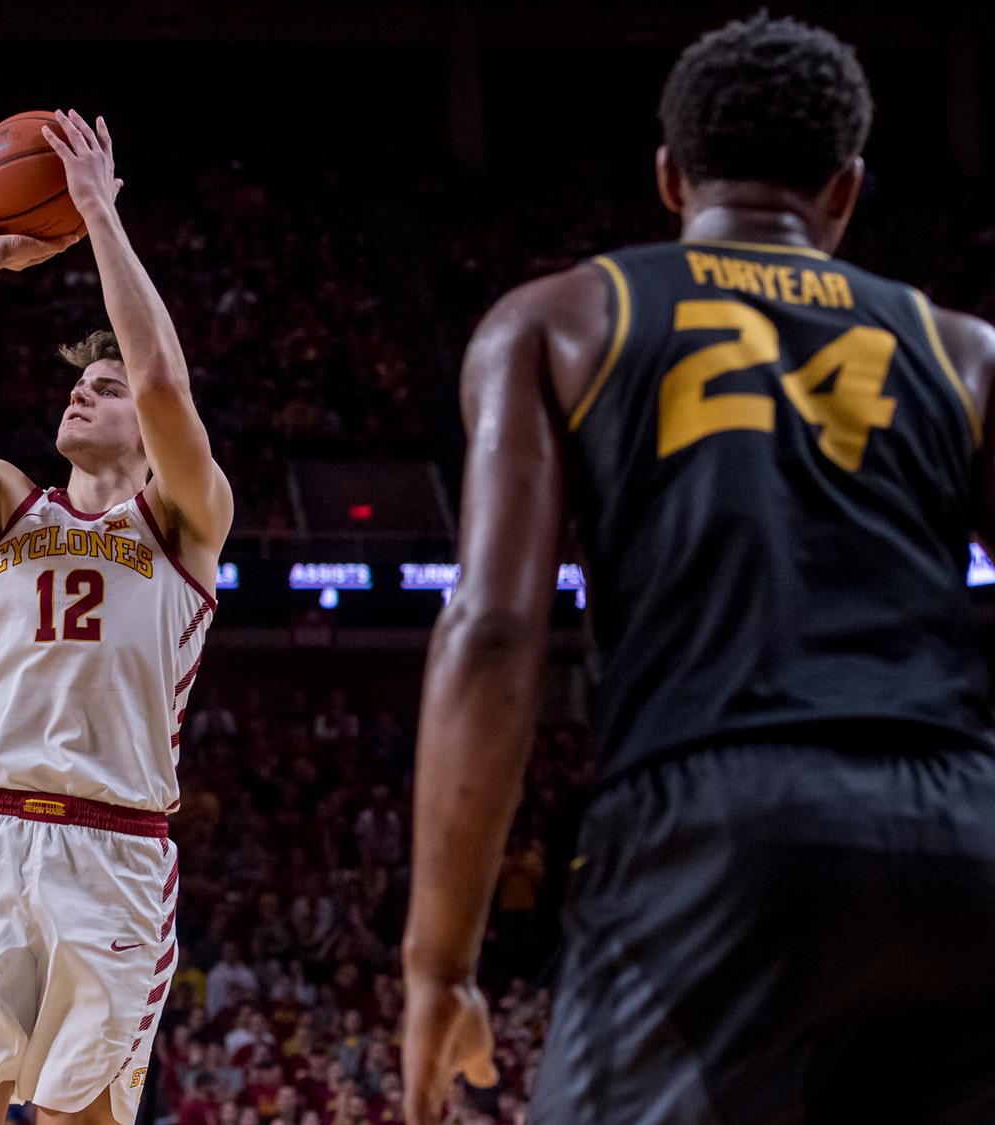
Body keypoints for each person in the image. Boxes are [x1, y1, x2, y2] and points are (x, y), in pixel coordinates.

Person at [402, 14, 995, 1124]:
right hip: (961, 831)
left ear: (670, 177)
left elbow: (489, 631)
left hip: (716, 813)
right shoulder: (961, 349)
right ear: (846, 190)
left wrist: (439, 966)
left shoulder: (560, 316)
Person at [0, 111, 232, 1125]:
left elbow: (161, 379)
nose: (85, 393)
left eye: (102, 388)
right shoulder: (0, 508)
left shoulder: (182, 520)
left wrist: (99, 215)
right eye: (77, 382)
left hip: (111, 851)